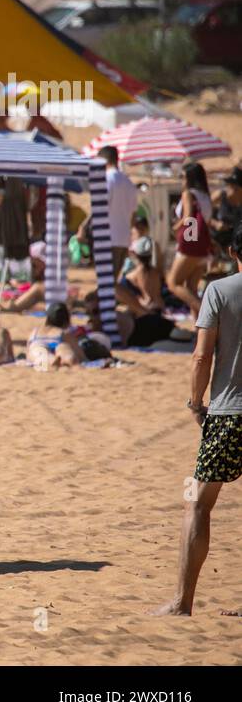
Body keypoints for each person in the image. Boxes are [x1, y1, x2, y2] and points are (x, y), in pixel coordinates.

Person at [151, 224, 242, 617]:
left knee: (198, 504)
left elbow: (202, 357)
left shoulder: (219, 291)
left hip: (228, 413)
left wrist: (194, 401)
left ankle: (182, 602)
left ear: (233, 251)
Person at [167, 161, 213, 320]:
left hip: (190, 243)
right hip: (203, 245)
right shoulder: (206, 196)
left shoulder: (189, 194)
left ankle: (209, 315)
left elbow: (187, 217)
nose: (182, 180)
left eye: (183, 177)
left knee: (173, 283)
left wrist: (175, 226)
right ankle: (200, 328)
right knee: (191, 288)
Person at [100, 145, 139, 280]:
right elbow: (134, 214)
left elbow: (101, 207)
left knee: (107, 281)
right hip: (123, 238)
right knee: (113, 279)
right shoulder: (128, 182)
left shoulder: (108, 179)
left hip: (109, 236)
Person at [115, 235, 164, 316]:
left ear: (135, 254)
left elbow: (117, 287)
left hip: (145, 307)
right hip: (159, 306)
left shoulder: (133, 275)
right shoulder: (157, 271)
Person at [26, 302, 83, 370]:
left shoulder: (35, 331)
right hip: (58, 340)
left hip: (38, 340)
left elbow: (28, 352)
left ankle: (51, 360)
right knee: (65, 352)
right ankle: (66, 360)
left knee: (38, 352)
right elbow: (80, 355)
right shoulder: (65, 333)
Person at [211, 167, 242, 256]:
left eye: (231, 186)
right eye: (229, 185)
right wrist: (215, 223)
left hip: (231, 245)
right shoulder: (220, 196)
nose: (228, 188)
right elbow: (200, 213)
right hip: (213, 241)